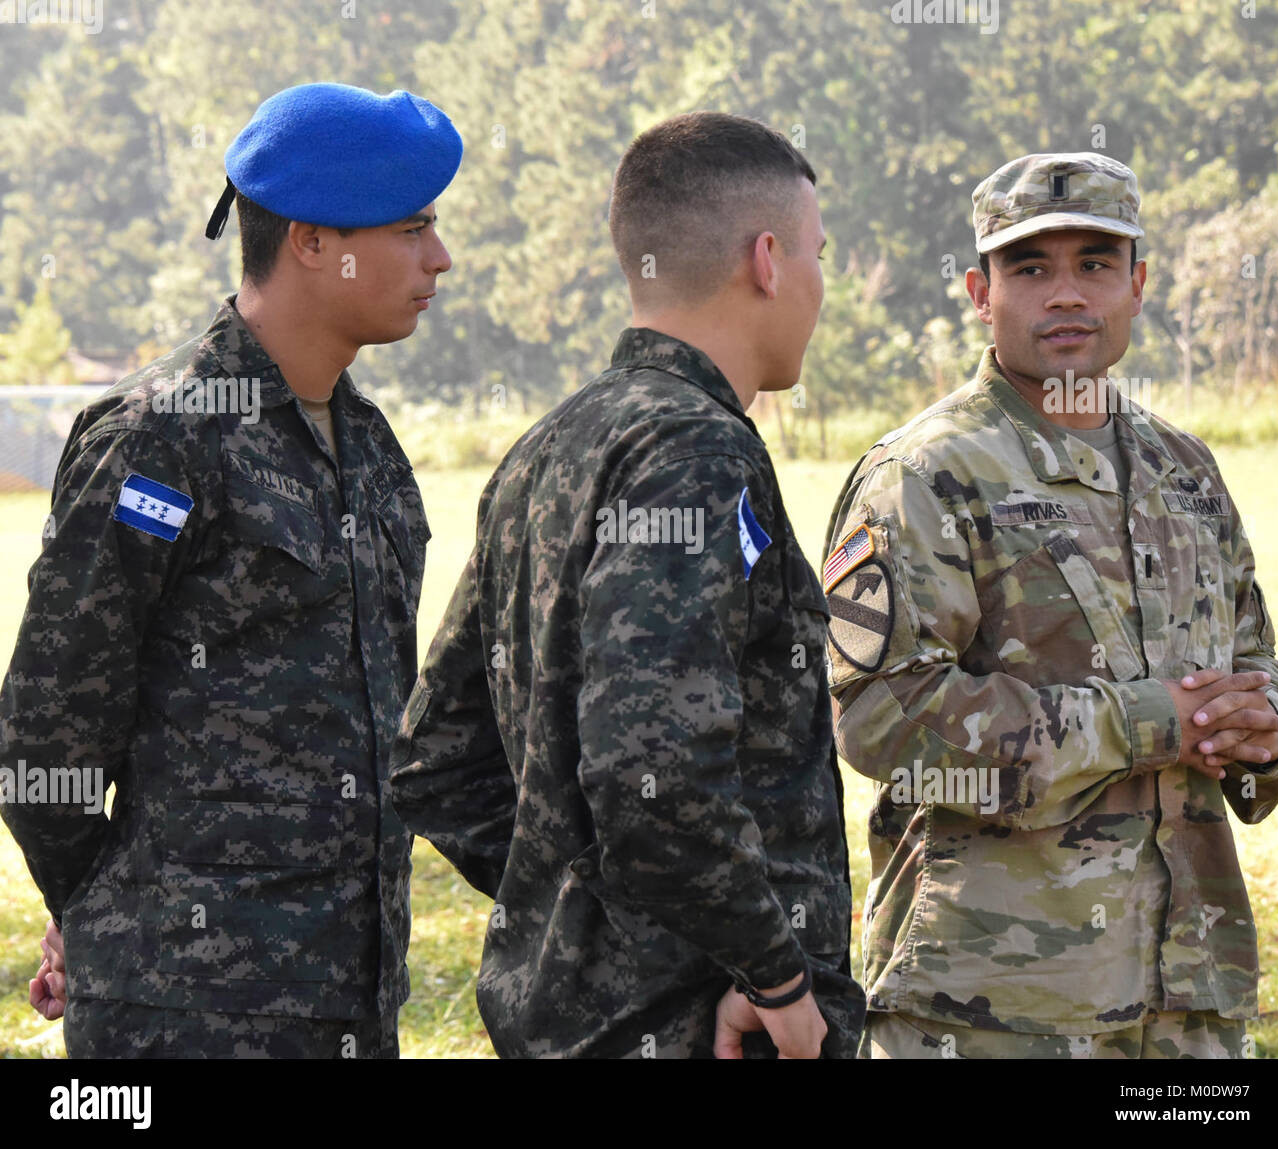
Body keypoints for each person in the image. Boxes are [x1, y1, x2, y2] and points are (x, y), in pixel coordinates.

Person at [388, 111, 866, 1059]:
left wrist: (583, 909)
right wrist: (770, 975)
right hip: (707, 1030)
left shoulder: (547, 447)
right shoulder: (697, 453)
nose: (820, 282)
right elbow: (655, 765)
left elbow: (435, 757)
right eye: (817, 254)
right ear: (768, 261)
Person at [1, 81, 461, 1058]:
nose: (439, 256)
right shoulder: (161, 438)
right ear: (312, 241)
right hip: (188, 1018)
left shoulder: (369, 447)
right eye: (412, 227)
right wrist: (105, 913)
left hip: (351, 1003)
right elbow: (47, 731)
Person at [822, 152, 1278, 1059]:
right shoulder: (925, 474)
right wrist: (1148, 722)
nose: (1068, 293)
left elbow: (1255, 662)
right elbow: (882, 716)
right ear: (981, 292)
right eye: (1032, 267)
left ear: (1138, 285)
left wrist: (1268, 731)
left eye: (1096, 263)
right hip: (992, 1007)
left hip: (1188, 1006)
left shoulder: (1186, 469)